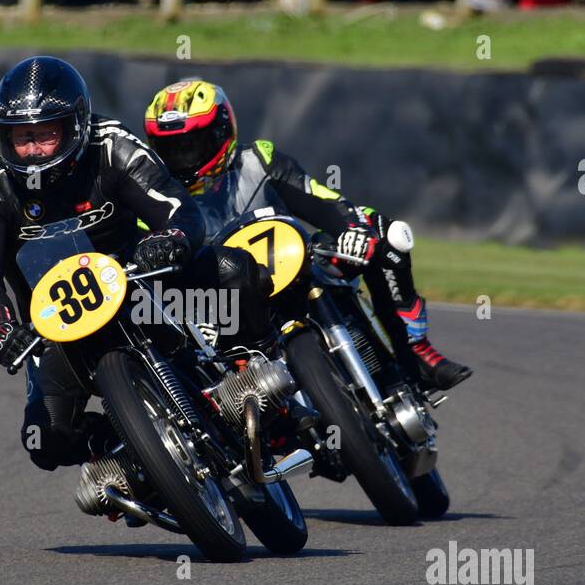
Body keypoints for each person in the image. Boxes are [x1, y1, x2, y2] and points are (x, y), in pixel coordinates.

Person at [0, 57, 272, 472]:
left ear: (75, 126)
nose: (32, 149)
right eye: (21, 136)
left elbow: (178, 208)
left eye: (46, 134)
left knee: (235, 270)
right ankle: (128, 455)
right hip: (55, 321)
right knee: (45, 441)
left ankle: (253, 371)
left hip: (140, 279)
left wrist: (170, 239)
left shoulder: (111, 144)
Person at [143, 79, 471, 391]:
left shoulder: (258, 160)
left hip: (295, 265)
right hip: (226, 306)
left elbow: (320, 198)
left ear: (221, 131)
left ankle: (416, 350)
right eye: (171, 149)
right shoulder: (154, 195)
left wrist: (352, 229)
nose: (184, 159)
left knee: (386, 232)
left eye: (192, 145)